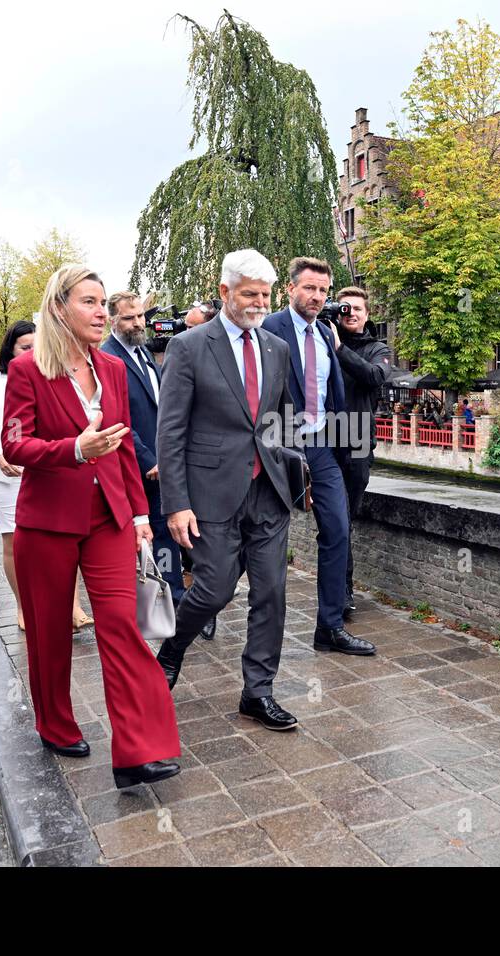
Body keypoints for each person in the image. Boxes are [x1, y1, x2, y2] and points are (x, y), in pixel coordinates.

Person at [2, 265, 179, 787]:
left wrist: (142, 513)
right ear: (60, 308)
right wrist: (75, 449)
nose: (101, 312)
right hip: (48, 521)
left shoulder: (113, 370)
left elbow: (123, 443)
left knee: (122, 626)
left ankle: (137, 751)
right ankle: (54, 723)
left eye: (103, 302)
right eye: (90, 302)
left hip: (109, 519)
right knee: (51, 633)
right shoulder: (29, 371)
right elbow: (16, 445)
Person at [156, 248, 304, 731]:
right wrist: (176, 503)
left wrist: (291, 466)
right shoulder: (190, 346)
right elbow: (170, 431)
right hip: (211, 494)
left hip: (268, 495)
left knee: (272, 593)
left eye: (265, 294)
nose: (259, 303)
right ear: (225, 292)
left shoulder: (276, 349)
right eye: (249, 294)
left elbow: (283, 419)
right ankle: (174, 646)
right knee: (215, 589)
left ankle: (257, 692)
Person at [261, 257, 376, 657]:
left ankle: (329, 627)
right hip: (280, 443)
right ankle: (218, 603)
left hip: (323, 445)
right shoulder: (268, 328)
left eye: (323, 290)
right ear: (290, 289)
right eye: (309, 288)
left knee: (338, 530)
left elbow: (335, 393)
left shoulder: (328, 333)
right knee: (261, 536)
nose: (316, 296)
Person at [0, 322, 92, 632]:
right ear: (10, 350)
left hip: (50, 474)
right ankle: (23, 605)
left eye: (37, 345)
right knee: (16, 544)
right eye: (25, 347)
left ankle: (73, 605)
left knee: (67, 538)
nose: (33, 352)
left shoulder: (56, 375)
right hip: (7, 476)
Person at [102, 291, 186, 606]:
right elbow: (116, 418)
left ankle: (174, 595)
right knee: (156, 537)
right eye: (129, 318)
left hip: (165, 459)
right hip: (141, 466)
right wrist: (147, 459)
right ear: (113, 320)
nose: (138, 323)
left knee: (167, 533)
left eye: (140, 316)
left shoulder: (143, 352)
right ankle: (169, 600)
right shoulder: (109, 358)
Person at [332, 286, 393, 617]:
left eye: (357, 309)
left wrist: (339, 347)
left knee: (344, 521)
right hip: (323, 443)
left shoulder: (377, 349)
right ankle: (338, 592)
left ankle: (342, 590)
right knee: (334, 522)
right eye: (344, 309)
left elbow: (373, 378)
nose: (351, 313)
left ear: (367, 315)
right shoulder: (320, 343)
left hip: (356, 443)